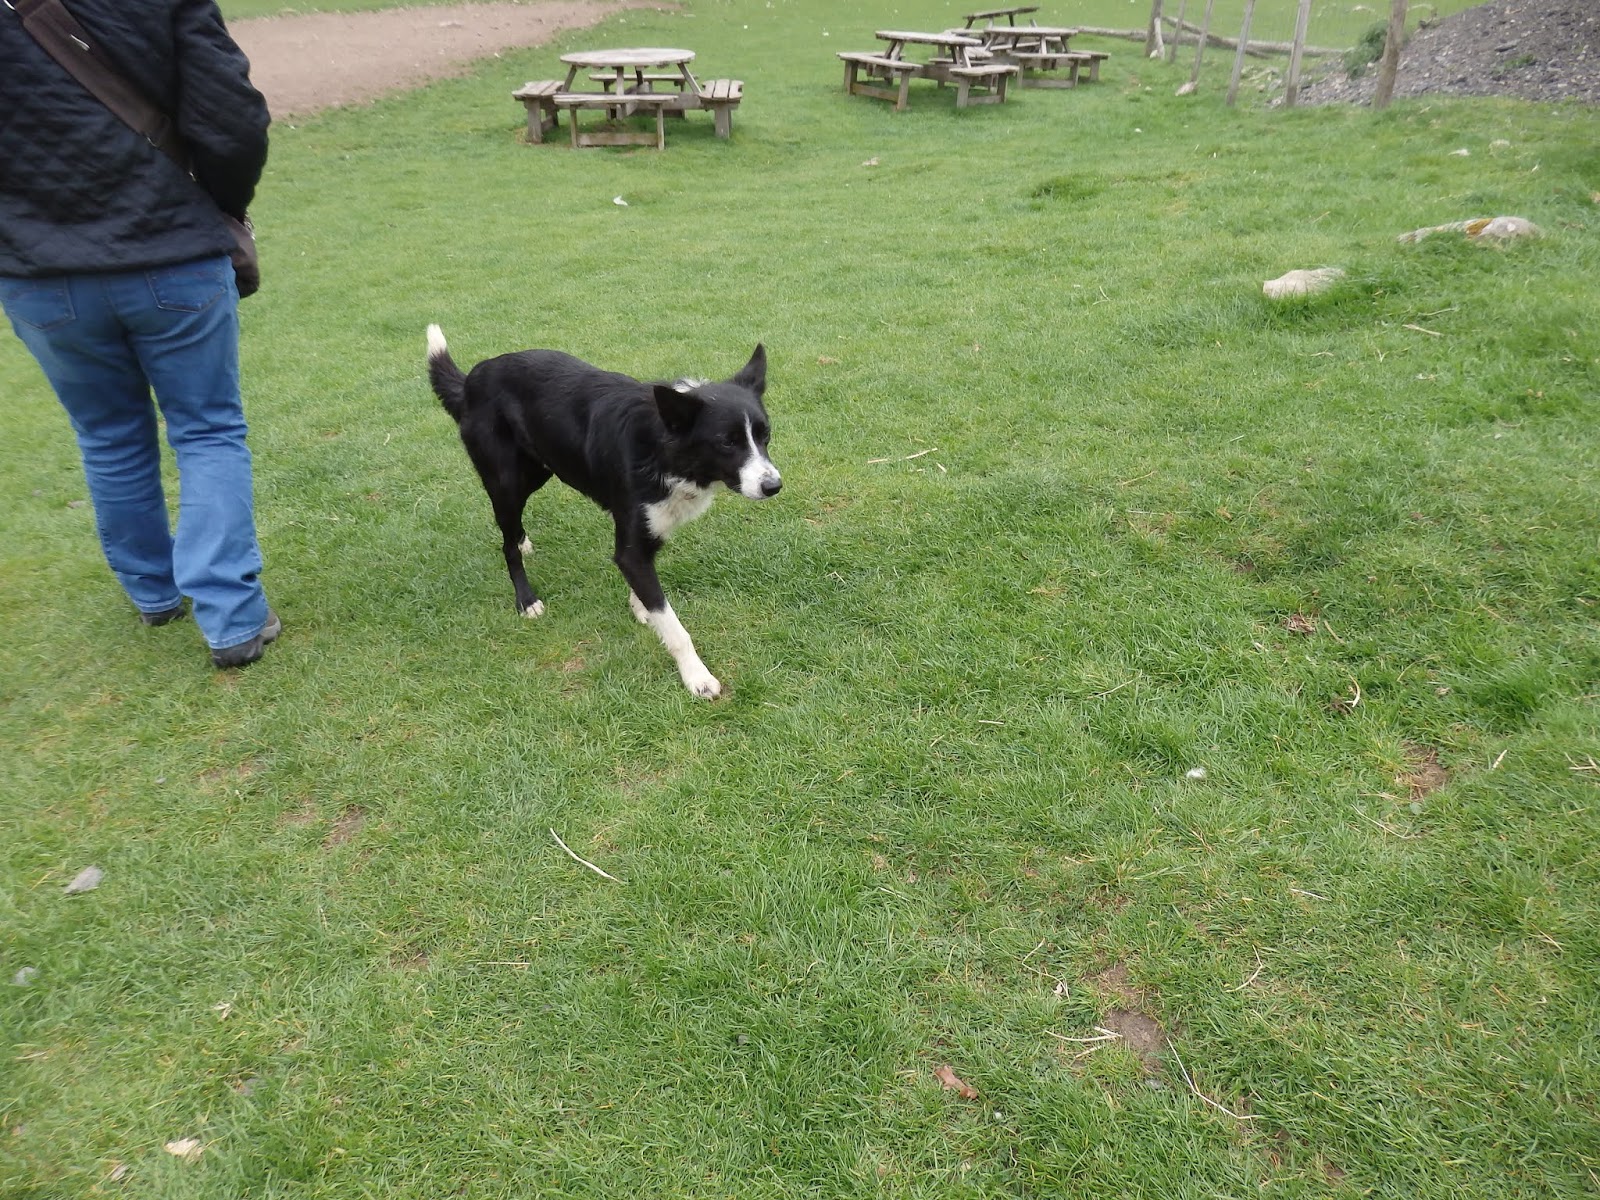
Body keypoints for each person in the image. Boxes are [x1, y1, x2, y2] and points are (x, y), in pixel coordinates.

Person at [0, 0, 278, 667]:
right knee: (207, 429)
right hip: (171, 253)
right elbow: (233, 117)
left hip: (41, 271)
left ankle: (155, 592)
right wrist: (223, 204)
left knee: (108, 434)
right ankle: (230, 616)